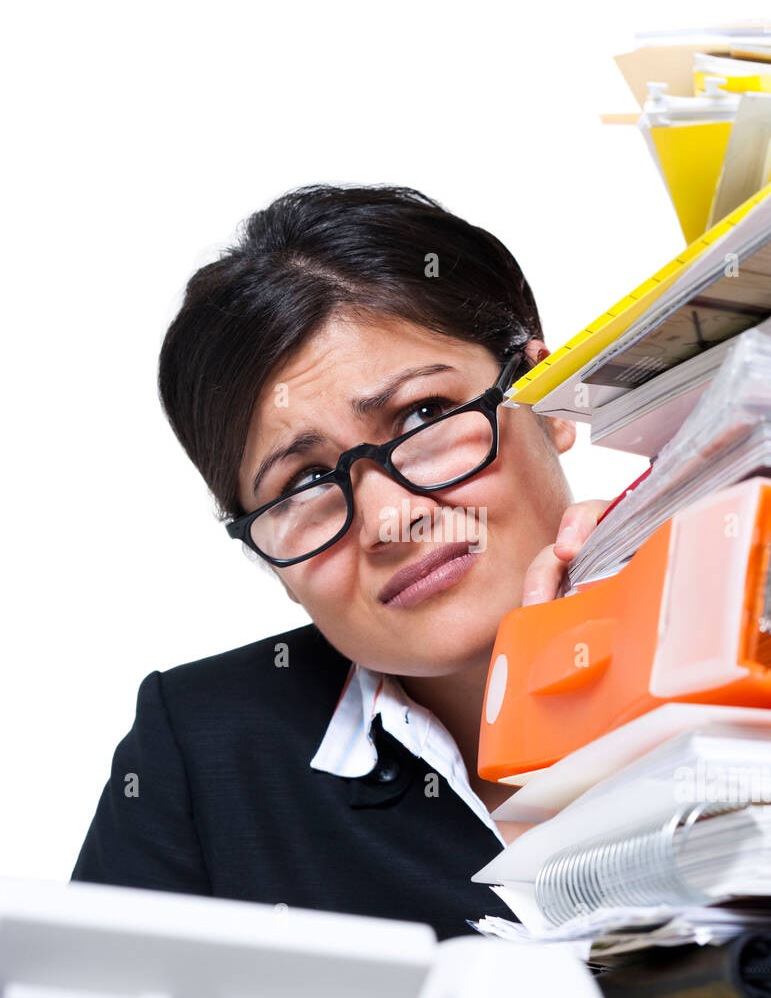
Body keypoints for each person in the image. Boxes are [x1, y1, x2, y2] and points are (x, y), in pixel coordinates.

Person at [71, 183, 606, 939]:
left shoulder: (763, 626)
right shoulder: (204, 752)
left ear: (549, 398)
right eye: (306, 483)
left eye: (425, 415)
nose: (391, 518)